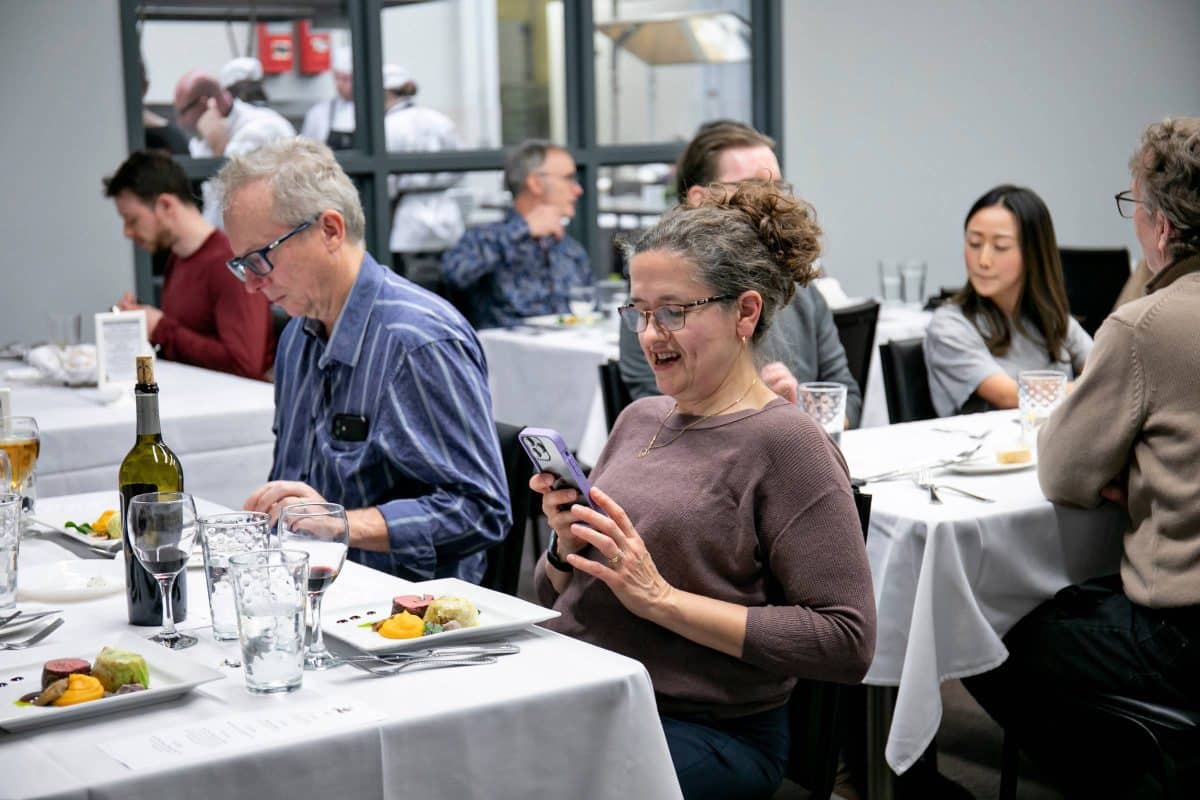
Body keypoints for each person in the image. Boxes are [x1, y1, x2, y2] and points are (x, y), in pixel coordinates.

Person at [531, 180, 875, 799]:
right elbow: (554, 594)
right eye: (640, 312)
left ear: (745, 312)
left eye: (673, 311)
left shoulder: (787, 443)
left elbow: (846, 641)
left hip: (706, 728)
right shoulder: (639, 418)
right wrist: (564, 546)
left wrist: (662, 600)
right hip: (584, 688)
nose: (649, 334)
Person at [962, 117, 1200, 795]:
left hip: (1179, 639)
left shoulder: (1147, 325)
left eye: (1134, 206)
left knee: (978, 629)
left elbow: (1063, 472)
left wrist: (1121, 468)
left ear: (1160, 226)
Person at [218, 138, 510, 582]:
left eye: (261, 259)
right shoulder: (298, 335)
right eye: (242, 265)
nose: (251, 285)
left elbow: (483, 510)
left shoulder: (417, 342)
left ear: (330, 231)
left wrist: (342, 525)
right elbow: (298, 494)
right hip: (315, 587)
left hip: (406, 605)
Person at [619, 120, 863, 426]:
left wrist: (795, 412)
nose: (774, 201)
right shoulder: (657, 303)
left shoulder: (798, 289)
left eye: (778, 188)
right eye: (754, 187)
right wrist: (749, 406)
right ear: (699, 199)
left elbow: (847, 400)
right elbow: (655, 415)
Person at [103, 150, 274, 380]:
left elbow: (244, 364)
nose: (127, 232)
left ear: (165, 205)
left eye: (132, 220)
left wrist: (160, 327)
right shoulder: (178, 260)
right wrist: (146, 322)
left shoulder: (226, 264)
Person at [924, 184, 1093, 417]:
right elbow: (1010, 396)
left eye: (1000, 247)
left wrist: (1097, 384)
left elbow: (1107, 371)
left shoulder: (1052, 319)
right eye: (974, 243)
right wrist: (1089, 389)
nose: (983, 260)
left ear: (1033, 253)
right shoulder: (949, 326)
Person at [441, 139, 591, 329]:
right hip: (504, 346)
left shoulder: (570, 248)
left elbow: (589, 305)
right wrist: (524, 229)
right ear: (535, 183)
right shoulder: (484, 238)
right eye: (568, 178)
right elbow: (454, 274)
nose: (578, 190)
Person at [173, 69, 295, 228]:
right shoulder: (204, 135)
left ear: (204, 102)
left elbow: (236, 188)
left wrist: (218, 144)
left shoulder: (263, 128)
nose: (180, 121)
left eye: (182, 113)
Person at [382, 64, 464, 286]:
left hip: (405, 215)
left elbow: (385, 182)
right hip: (446, 212)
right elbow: (461, 165)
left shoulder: (388, 126)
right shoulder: (439, 119)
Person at [300, 46, 355, 150]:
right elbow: (305, 151)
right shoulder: (318, 113)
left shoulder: (375, 112)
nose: (339, 84)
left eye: (346, 79)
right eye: (337, 78)